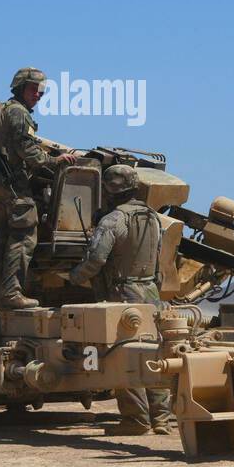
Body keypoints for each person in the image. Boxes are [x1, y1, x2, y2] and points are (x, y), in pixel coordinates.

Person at [69, 164, 173, 436]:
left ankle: (136, 421)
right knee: (153, 353)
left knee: (123, 356)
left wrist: (74, 277)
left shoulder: (113, 220)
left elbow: (96, 259)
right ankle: (161, 419)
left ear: (111, 192)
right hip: (150, 293)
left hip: (121, 295)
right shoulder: (153, 218)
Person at [0, 68, 76, 309]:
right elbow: (26, 149)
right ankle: (12, 293)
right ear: (21, 87)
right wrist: (54, 161)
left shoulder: (1, 109)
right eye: (34, 89)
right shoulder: (19, 114)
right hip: (14, 186)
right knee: (24, 237)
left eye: (41, 90)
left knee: (1, 238)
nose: (39, 95)